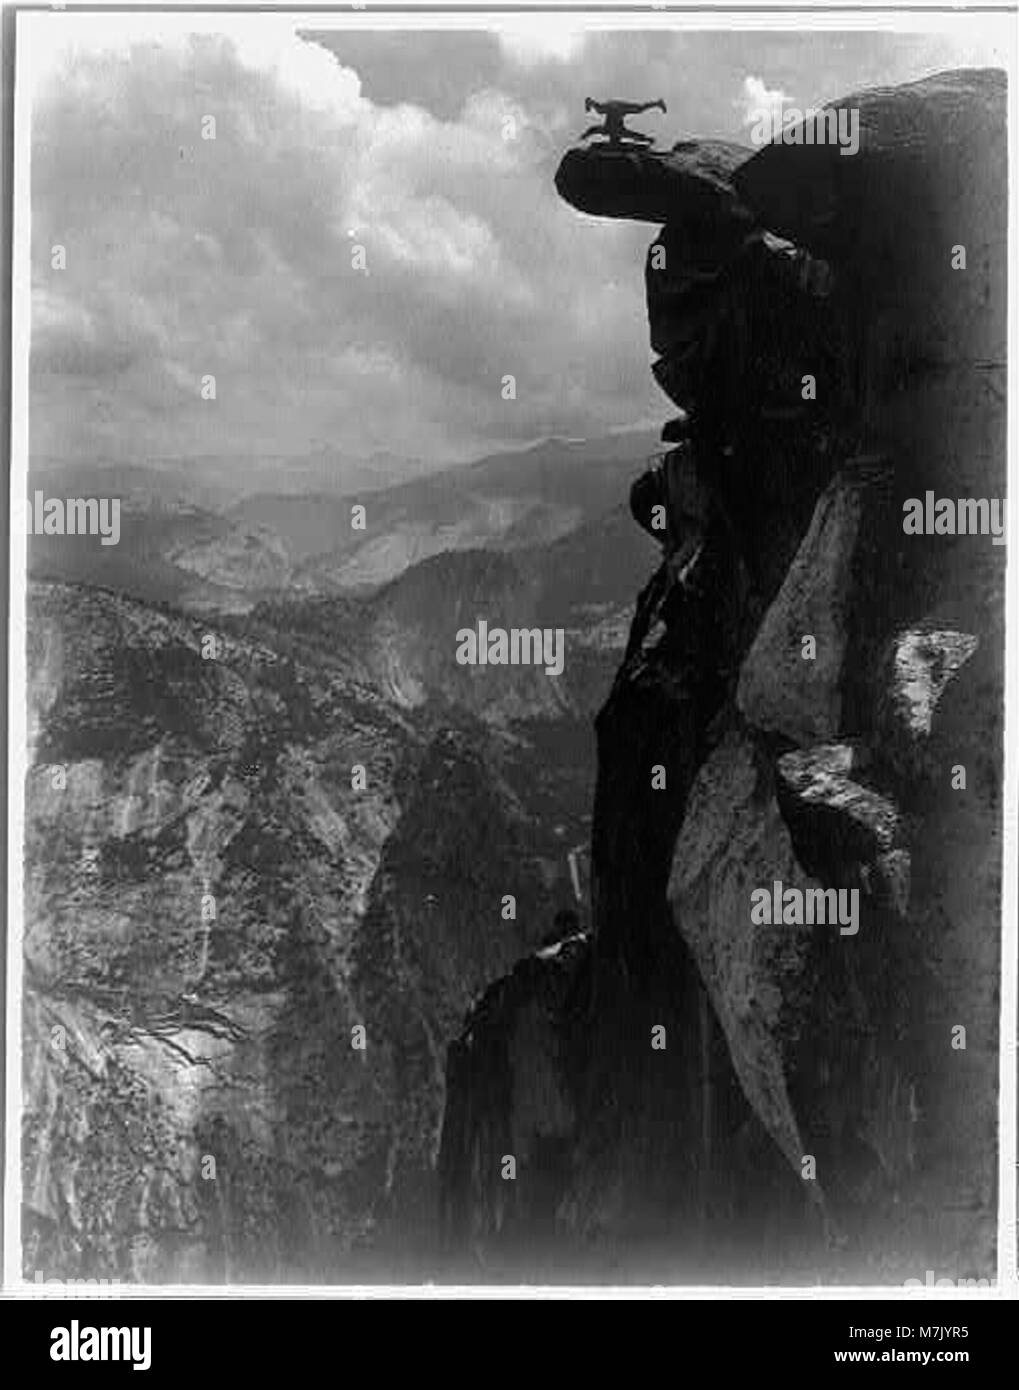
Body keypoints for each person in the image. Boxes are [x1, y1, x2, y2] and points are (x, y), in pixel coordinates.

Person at [579, 97, 667, 148]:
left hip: (615, 107)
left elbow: (593, 130)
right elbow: (635, 136)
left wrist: (584, 136)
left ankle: (657, 103)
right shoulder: (617, 132)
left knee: (600, 109)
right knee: (639, 109)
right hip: (617, 107)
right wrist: (648, 140)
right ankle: (657, 103)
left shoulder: (614, 131)